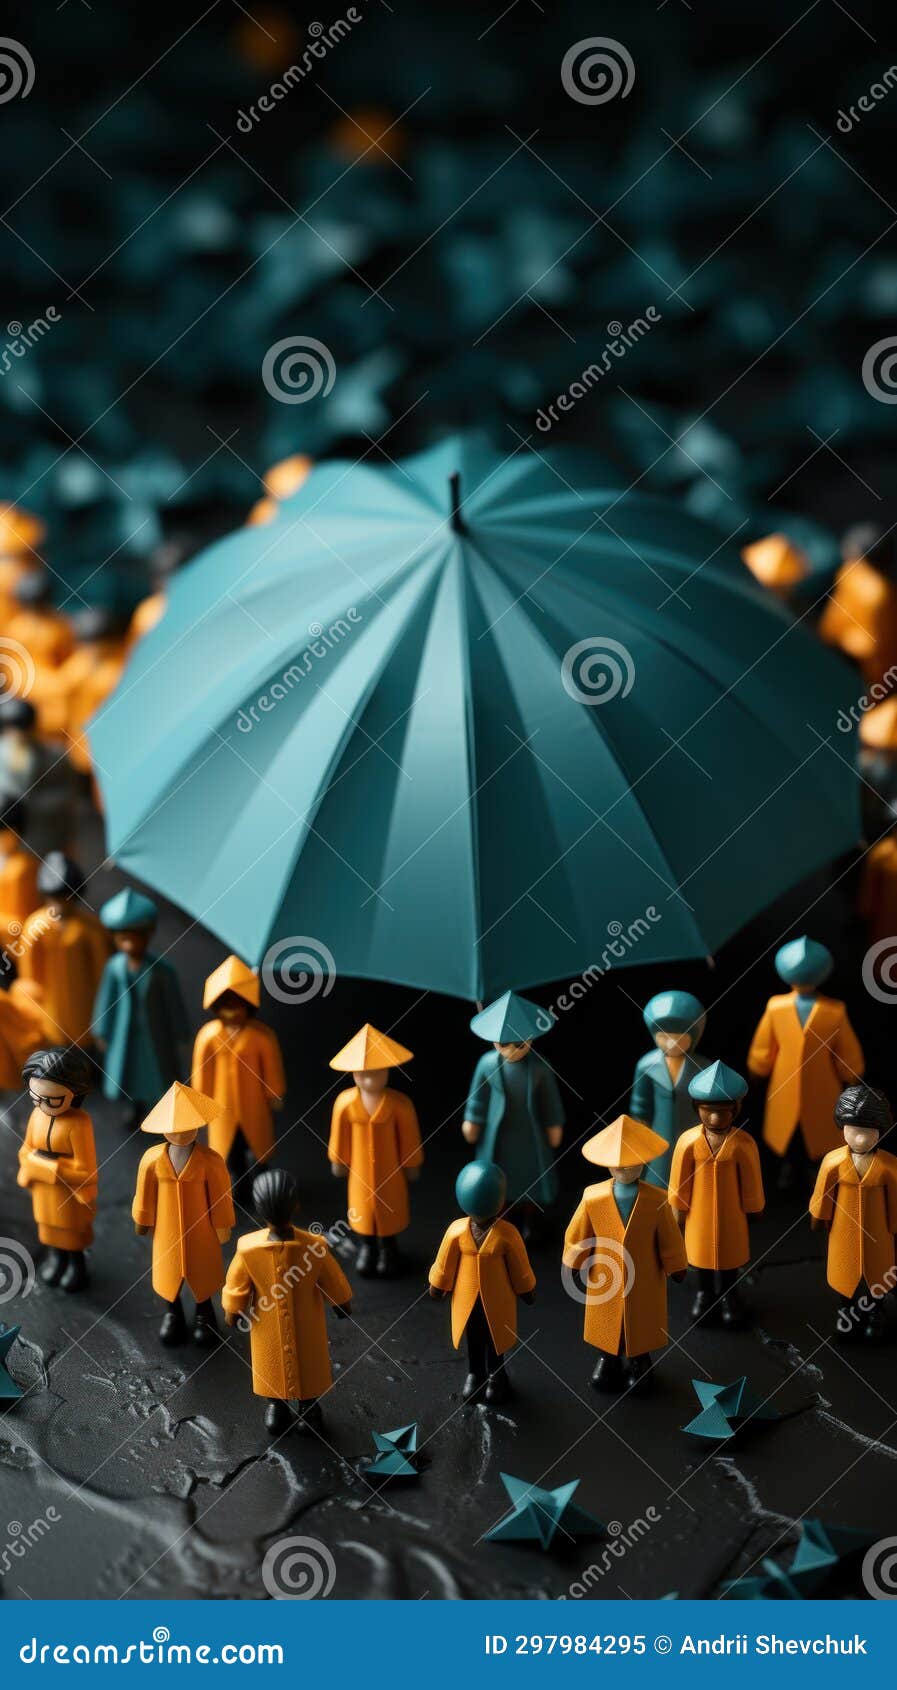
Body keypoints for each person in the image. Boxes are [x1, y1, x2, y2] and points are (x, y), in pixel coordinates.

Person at [223, 1167, 352, 1436]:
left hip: (305, 1321)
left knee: (309, 1363)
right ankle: (277, 1405)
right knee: (271, 1364)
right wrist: (234, 1306)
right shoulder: (249, 1250)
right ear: (296, 1205)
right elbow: (238, 1281)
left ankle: (309, 1406)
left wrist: (340, 1299)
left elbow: (330, 1276)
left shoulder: (313, 1246)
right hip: (267, 1323)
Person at [563, 1115, 686, 1394]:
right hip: (606, 1275)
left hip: (644, 1275)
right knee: (608, 1320)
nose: (624, 1169)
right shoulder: (593, 1198)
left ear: (644, 1162)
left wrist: (676, 1264)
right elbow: (578, 1233)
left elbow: (669, 1236)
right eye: (618, 1164)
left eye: (631, 1162)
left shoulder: (657, 1200)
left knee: (640, 1321)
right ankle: (608, 1359)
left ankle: (640, 1361)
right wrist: (574, 1259)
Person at [747, 936, 863, 1184]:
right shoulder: (776, 1007)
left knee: (818, 1132)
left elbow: (845, 1049)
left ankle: (815, 1170)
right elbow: (764, 1045)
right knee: (787, 1133)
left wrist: (851, 1074)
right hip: (784, 1086)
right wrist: (759, 1066)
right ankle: (788, 1167)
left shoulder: (834, 1011)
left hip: (822, 1086)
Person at [132, 1082, 235, 1347]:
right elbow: (144, 1195)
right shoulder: (151, 1160)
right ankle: (172, 1313)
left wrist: (223, 1225)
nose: (180, 1134)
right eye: (174, 1128)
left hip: (201, 1229)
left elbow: (221, 1197)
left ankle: (205, 1314)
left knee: (203, 1272)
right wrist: (142, 1220)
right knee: (168, 1274)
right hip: (165, 1231)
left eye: (187, 1126)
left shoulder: (211, 1161)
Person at [428, 1161, 535, 1404]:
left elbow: (519, 1265)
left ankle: (497, 1375)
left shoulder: (507, 1235)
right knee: (474, 1338)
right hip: (468, 1300)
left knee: (496, 1339)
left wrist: (525, 1287)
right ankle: (475, 1374)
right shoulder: (456, 1232)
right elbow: (444, 1263)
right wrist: (438, 1283)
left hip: (498, 1299)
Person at [668, 1061, 765, 1328]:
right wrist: (677, 1208)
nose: (714, 1119)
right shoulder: (688, 1142)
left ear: (735, 1110)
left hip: (731, 1211)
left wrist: (753, 1206)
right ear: (697, 1109)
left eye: (722, 1112)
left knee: (729, 1257)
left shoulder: (743, 1144)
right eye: (708, 1111)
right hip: (698, 1213)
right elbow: (678, 1180)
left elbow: (751, 1178)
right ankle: (704, 1294)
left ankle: (729, 1296)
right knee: (701, 1258)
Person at [462, 990, 563, 1241]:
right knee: (497, 1178)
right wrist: (472, 1120)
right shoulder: (486, 1064)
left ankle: (531, 1219)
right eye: (503, 1044)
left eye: (519, 1043)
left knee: (532, 1178)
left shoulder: (540, 1068)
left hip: (531, 1135)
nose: (512, 1050)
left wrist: (554, 1125)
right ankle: (502, 1217)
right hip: (497, 1135)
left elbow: (550, 1102)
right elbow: (478, 1097)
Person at [328, 1023, 422, 1278]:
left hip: (390, 1171)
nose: (370, 1079)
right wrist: (338, 1160)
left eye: (377, 1073)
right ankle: (367, 1250)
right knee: (361, 1211)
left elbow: (410, 1138)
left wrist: (412, 1163)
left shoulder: (400, 1105)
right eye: (363, 1074)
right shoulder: (345, 1104)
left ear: (388, 1071)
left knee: (389, 1210)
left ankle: (388, 1250)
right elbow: (340, 1136)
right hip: (359, 1173)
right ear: (354, 1074)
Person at [92, 888, 188, 1128]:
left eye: (136, 936)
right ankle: (134, 1107)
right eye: (123, 937)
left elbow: (173, 1002)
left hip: (155, 1035)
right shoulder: (114, 968)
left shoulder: (162, 970)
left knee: (158, 1073)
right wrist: (102, 1030)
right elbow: (106, 999)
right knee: (129, 1074)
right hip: (125, 1035)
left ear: (148, 935)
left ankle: (160, 1111)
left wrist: (180, 1030)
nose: (129, 944)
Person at [810, 1083, 897, 1344]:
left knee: (878, 1277)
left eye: (867, 1132)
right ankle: (846, 1313)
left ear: (880, 1131)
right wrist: (819, 1216)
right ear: (842, 1128)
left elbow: (894, 1198)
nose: (860, 1138)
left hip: (878, 1230)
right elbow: (823, 1193)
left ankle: (874, 1314)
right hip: (842, 1229)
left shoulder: (889, 1166)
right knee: (844, 1276)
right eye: (854, 1130)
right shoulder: (833, 1162)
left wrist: (894, 1225)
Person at [190, 955, 285, 1181]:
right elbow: (202, 1071)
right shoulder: (209, 1036)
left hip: (254, 1103)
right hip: (222, 1106)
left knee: (258, 1148)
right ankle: (238, 1184)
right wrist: (199, 1101)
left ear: (249, 1006)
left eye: (238, 1005)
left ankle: (262, 1183)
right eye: (226, 1005)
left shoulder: (261, 1037)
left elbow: (271, 1067)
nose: (232, 1012)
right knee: (230, 1152)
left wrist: (274, 1092)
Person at [17, 1046, 97, 1292]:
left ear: (74, 1093)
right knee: (49, 1229)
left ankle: (76, 1264)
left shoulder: (79, 1124)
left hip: (68, 1194)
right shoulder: (36, 1116)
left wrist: (52, 1169)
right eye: (35, 1098)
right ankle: (57, 1259)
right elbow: (25, 1150)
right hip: (44, 1192)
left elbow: (87, 1171)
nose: (42, 1105)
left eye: (52, 1100)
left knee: (71, 1232)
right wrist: (31, 1165)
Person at [18, 854, 109, 1047]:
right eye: (53, 898)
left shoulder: (90, 928)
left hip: (84, 1016)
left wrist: (102, 1017)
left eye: (64, 898)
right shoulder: (35, 927)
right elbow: (29, 979)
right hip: (49, 1018)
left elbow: (102, 974)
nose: (58, 904)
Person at [629, 990, 709, 1187]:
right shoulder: (646, 1066)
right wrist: (639, 1137)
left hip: (693, 1134)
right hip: (658, 1135)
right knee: (658, 1179)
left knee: (693, 1179)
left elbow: (711, 1105)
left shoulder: (704, 1068)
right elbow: (641, 1106)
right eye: (663, 1037)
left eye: (680, 1037)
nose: (672, 1043)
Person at [0, 697, 77, 858]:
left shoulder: (55, 756)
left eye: (23, 727)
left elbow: (69, 795)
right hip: (9, 841)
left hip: (46, 838)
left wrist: (31, 803)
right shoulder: (3, 755)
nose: (18, 735)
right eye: (12, 728)